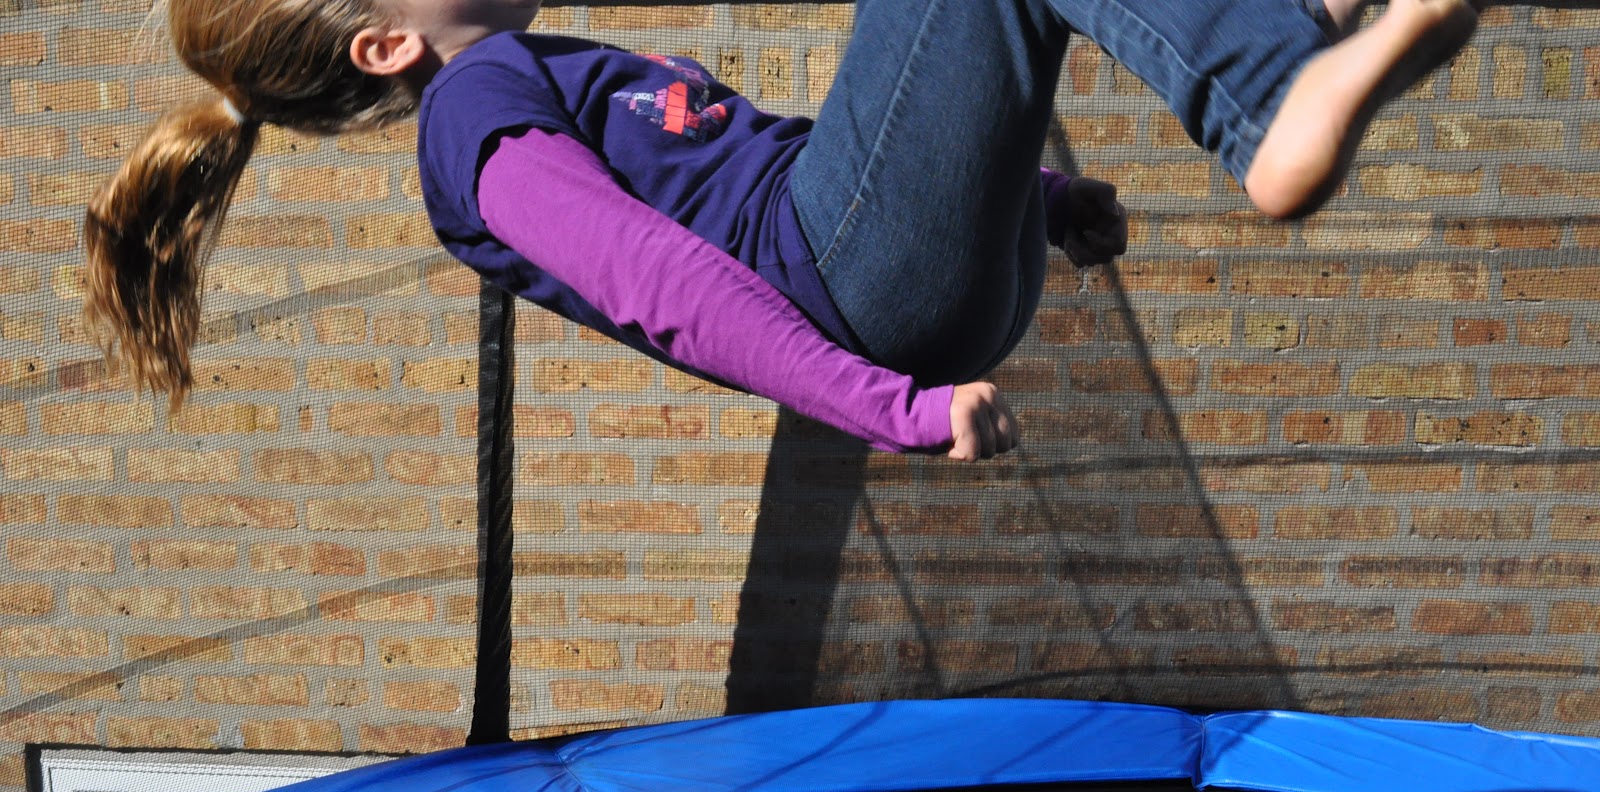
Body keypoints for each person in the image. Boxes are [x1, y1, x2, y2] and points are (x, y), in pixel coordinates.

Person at [84, 0, 1480, 461]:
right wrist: (891, 410)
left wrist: (1044, 206)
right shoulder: (477, 123)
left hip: (907, 274)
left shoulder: (533, 66)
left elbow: (790, 167)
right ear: (385, 42)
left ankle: (1289, 52)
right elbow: (665, 286)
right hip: (864, 304)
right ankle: (1273, 89)